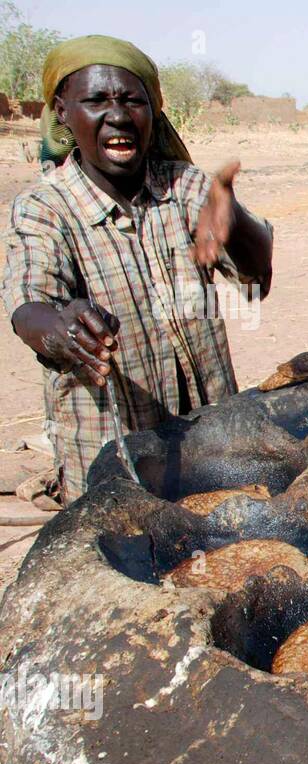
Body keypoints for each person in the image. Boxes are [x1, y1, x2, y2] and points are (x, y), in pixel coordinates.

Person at [3, 35, 274, 502]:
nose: (119, 116)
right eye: (96, 101)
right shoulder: (45, 208)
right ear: (63, 112)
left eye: (133, 100)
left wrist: (234, 218)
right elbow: (28, 306)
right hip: (112, 457)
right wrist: (60, 327)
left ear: (153, 110)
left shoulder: (185, 186)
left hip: (209, 442)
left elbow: (256, 281)